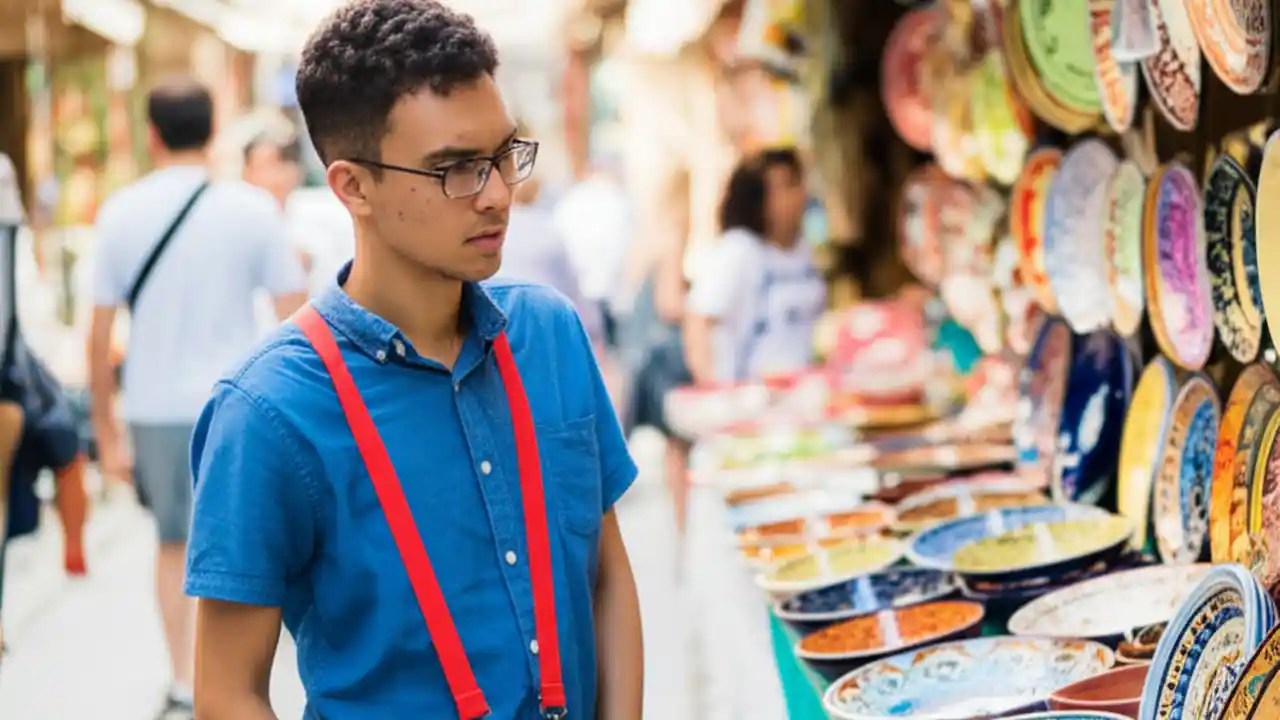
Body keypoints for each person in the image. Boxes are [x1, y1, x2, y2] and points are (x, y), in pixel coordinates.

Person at [183, 2, 644, 718]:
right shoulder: (266, 412)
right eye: (455, 170)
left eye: (502, 155)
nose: (497, 194)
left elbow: (606, 575)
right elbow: (226, 691)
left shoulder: (549, 334)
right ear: (352, 187)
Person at [88, 77, 307, 719]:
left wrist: (106, 434)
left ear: (151, 133)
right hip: (239, 405)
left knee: (171, 545)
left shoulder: (121, 211)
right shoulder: (251, 209)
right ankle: (241, 683)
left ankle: (186, 681)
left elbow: (100, 335)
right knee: (245, 543)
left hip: (152, 407)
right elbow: (296, 318)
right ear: (214, 133)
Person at [684, 147, 826, 384]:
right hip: (748, 397)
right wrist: (713, 387)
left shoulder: (801, 249)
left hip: (797, 395)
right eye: (786, 186)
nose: (801, 194)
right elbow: (699, 319)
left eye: (798, 182)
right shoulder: (738, 250)